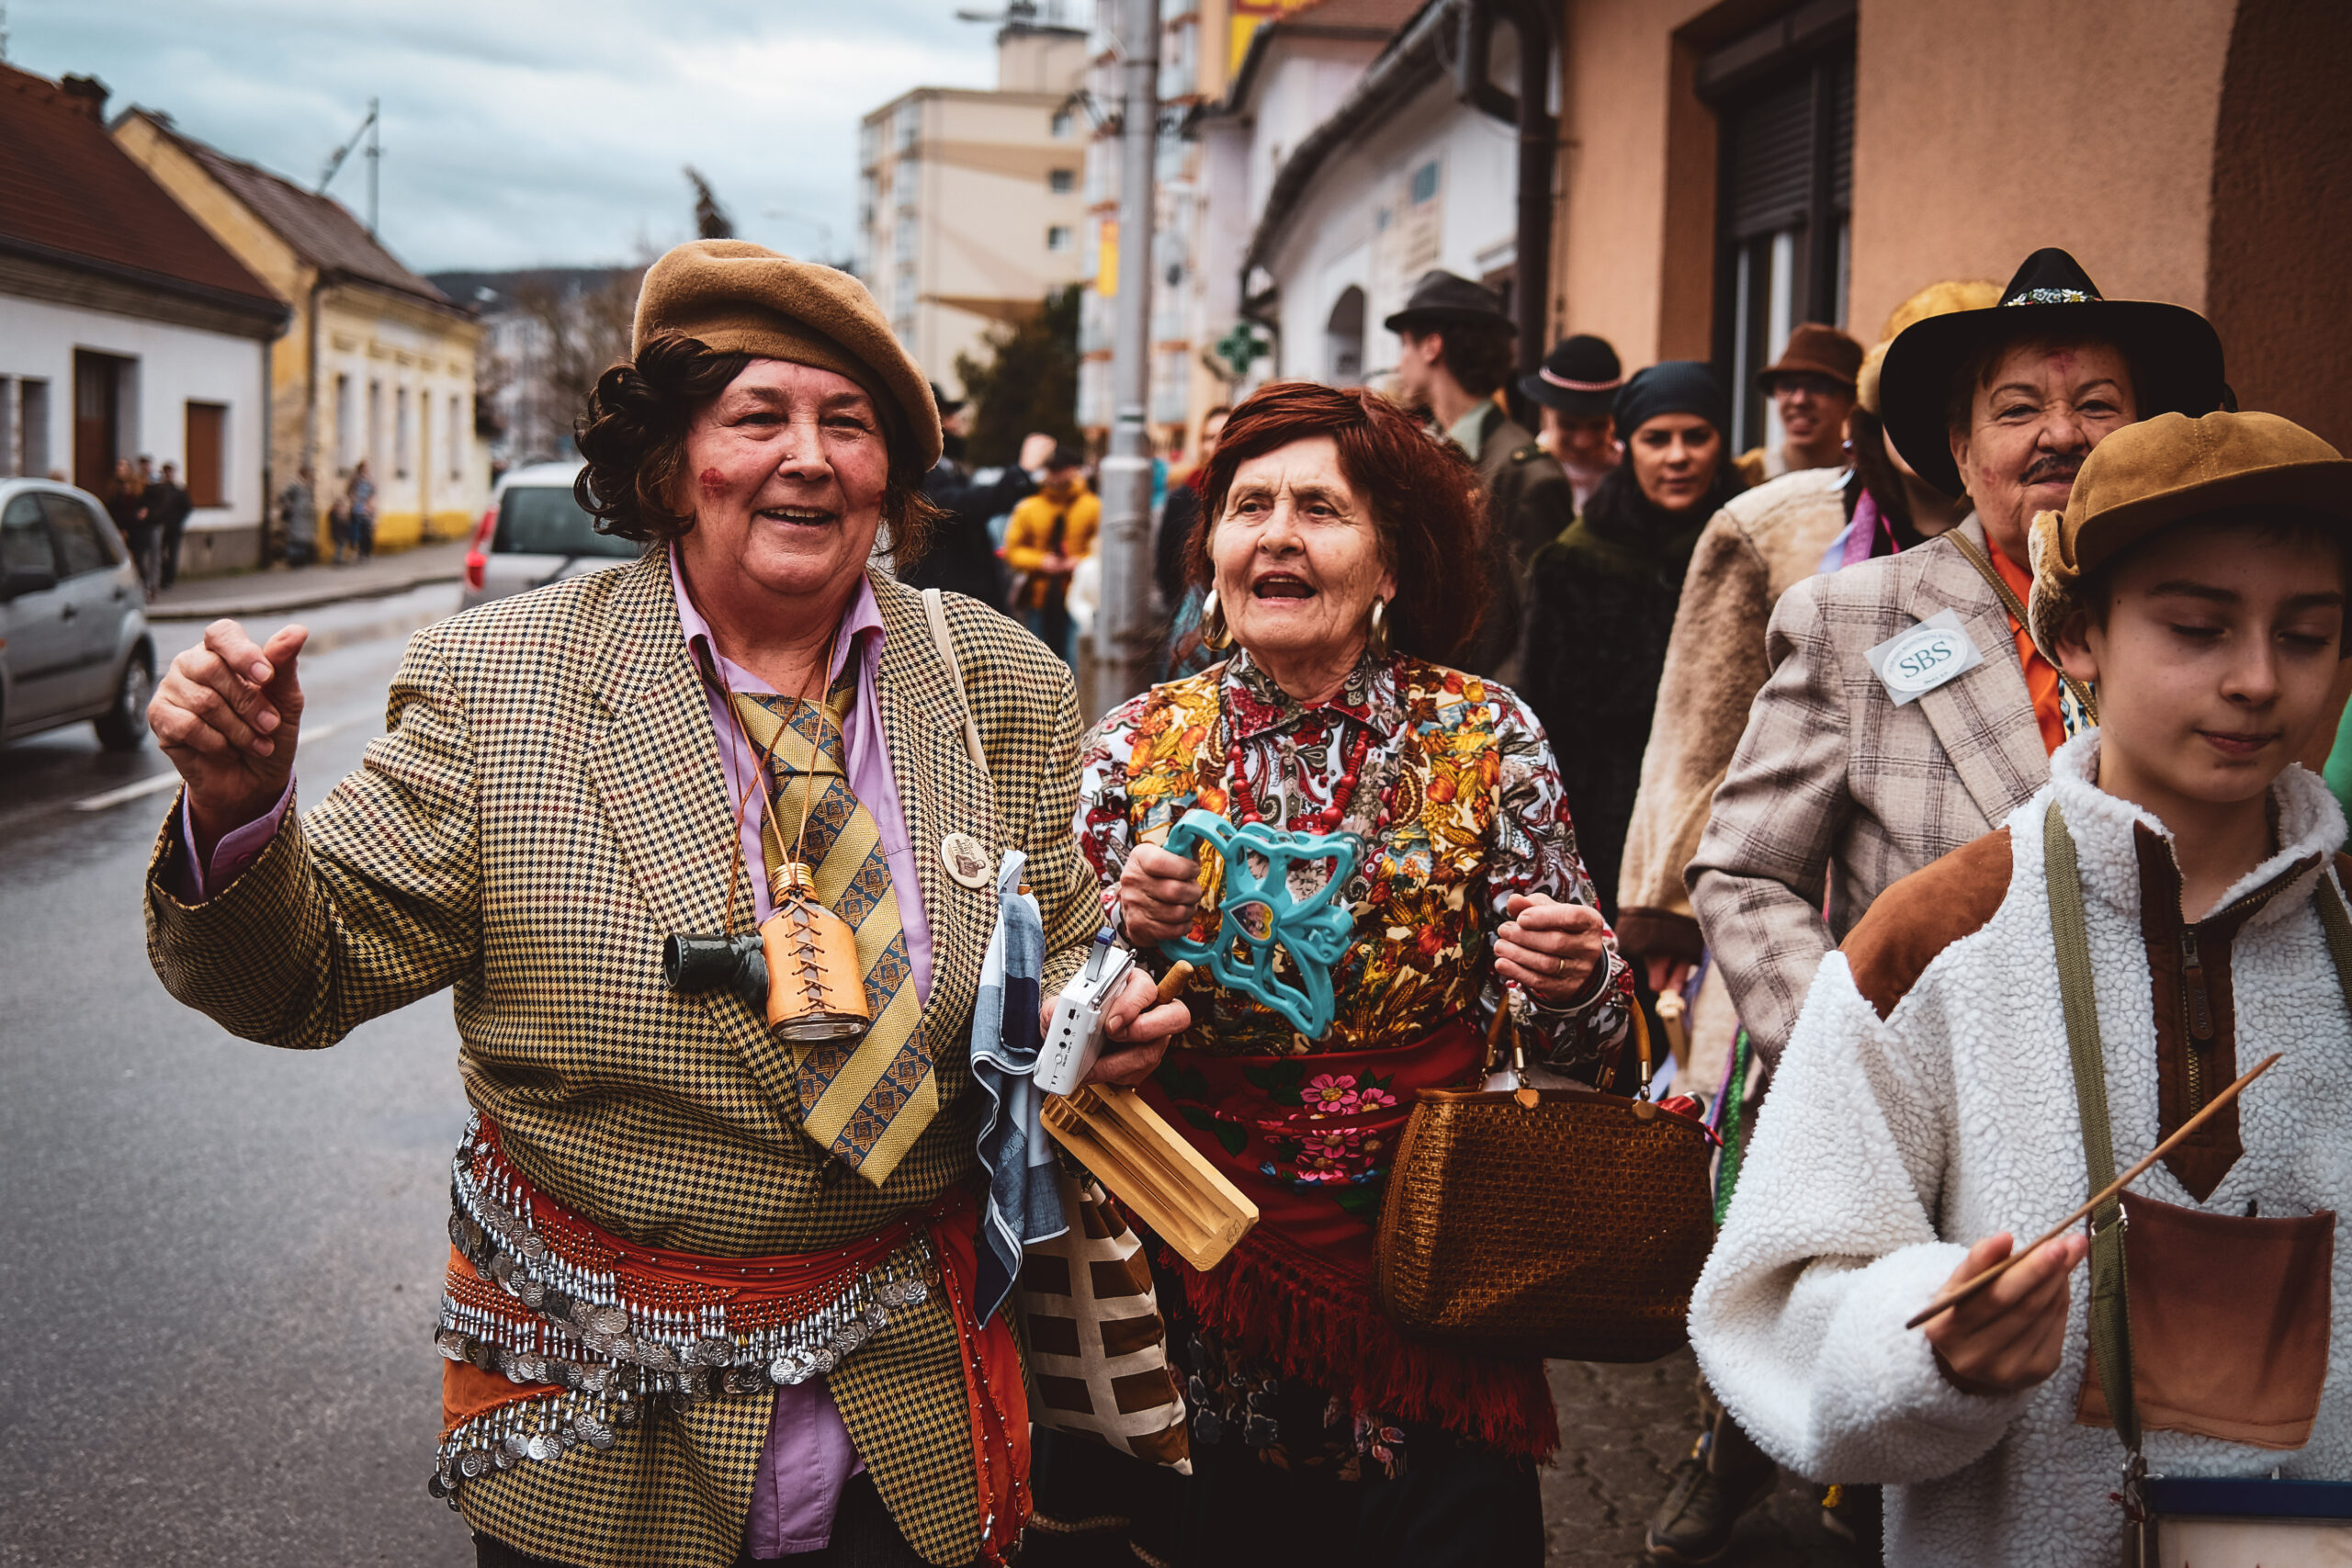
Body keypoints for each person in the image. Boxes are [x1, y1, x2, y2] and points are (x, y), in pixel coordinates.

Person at [141, 238, 1188, 1568]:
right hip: (606, 1417)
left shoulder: (998, 679)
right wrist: (238, 812)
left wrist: (1115, 1016)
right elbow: (304, 974)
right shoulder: (496, 677)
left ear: (890, 472)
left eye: (847, 423)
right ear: (669, 463)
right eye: (758, 417)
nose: (807, 456)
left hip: (918, 1414)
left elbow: (1066, 953)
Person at [1691, 410, 2352, 1567]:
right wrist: (1926, 1347)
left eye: (2304, 636)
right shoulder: (1938, 937)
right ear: (2078, 637)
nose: (2256, 681)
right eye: (2196, 628)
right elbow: (1774, 1300)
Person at [1667, 250, 2226, 1562]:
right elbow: (1742, 871)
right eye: (2018, 404)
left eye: (2100, 400)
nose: (2061, 433)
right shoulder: (1861, 617)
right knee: (1957, 1463)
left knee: (2176, 1460)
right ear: (1961, 446)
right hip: (1955, 1149)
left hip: (2177, 1134)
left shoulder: (2209, 620)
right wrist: (1847, 1064)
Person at [1070, 379, 1634, 1567]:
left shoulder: (1487, 736)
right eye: (1248, 505)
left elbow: (1595, 1059)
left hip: (1438, 1265)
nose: (1275, 532)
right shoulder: (1133, 746)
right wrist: (1124, 939)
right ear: (1214, 550)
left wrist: (1575, 980)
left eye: (1318, 507)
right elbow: (1048, 1043)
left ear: (1390, 561)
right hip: (1201, 1265)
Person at [1615, 280, 1993, 1560]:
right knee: (1776, 1209)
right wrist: (1659, 900)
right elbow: (1703, 722)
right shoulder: (1781, 529)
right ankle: (1726, 1443)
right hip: (1820, 941)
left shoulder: (2097, 575)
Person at [1519, 363, 1742, 921]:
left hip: (1734, 810)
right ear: (1627, 444)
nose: (1677, 457)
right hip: (1611, 821)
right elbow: (1549, 724)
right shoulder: (1576, 560)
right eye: (1656, 438)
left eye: (1696, 436)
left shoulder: (1755, 540)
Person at [1385, 270, 1572, 679]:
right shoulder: (1434, 454)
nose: (1400, 362)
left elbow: (1540, 634)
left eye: (1405, 345)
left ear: (1432, 346)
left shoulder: (1527, 474)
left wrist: (1482, 715)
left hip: (1477, 718)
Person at [903, 381, 1053, 608]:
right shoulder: (916, 472)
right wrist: (1023, 471)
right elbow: (959, 505)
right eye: (946, 414)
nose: (955, 422)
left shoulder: (951, 467)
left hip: (961, 603)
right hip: (945, 607)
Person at [1733, 322, 1862, 489]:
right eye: (1788, 386)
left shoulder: (1868, 477)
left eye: (1819, 387)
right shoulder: (1744, 476)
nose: (1799, 400)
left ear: (1851, 400)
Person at [1002, 446, 1096, 665]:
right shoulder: (1029, 508)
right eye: (1052, 469)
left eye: (1061, 468)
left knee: (1075, 659)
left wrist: (1081, 561)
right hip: (1040, 596)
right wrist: (1040, 561)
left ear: (1074, 469)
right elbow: (1013, 549)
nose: (1057, 474)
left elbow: (1102, 548)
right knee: (1039, 660)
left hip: (1078, 596)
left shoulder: (1092, 506)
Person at [1520, 333, 1623, 513]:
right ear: (1545, 413)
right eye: (1568, 425)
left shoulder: (1628, 471)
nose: (1583, 442)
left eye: (1598, 425)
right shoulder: (1522, 475)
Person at [105, 456, 153, 595]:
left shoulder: (138, 487)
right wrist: (119, 529)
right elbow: (112, 510)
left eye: (123, 467)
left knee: (138, 559)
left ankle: (145, 587)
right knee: (124, 560)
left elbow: (146, 503)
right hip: (122, 529)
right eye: (118, 467)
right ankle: (127, 588)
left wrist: (145, 511)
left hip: (138, 529)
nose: (120, 469)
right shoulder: (113, 488)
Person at [147, 459, 194, 589]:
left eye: (170, 472)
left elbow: (188, 507)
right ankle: (163, 576)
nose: (168, 475)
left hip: (175, 527)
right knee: (160, 553)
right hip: (162, 526)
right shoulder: (160, 490)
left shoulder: (179, 490)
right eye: (166, 472)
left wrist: (179, 520)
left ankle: (169, 580)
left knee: (173, 554)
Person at [278, 465, 318, 568]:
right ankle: (293, 561)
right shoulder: (294, 485)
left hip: (305, 516)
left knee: (303, 539)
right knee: (294, 538)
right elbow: (283, 497)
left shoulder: (308, 487)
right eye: (307, 475)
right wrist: (289, 506)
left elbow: (310, 501)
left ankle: (301, 560)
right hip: (296, 515)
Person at [345, 459, 376, 560]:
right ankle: (356, 551)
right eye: (365, 467)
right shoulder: (355, 479)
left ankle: (365, 552)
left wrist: (369, 504)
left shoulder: (369, 480)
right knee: (356, 531)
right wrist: (355, 501)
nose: (367, 469)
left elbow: (373, 493)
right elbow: (349, 492)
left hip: (367, 508)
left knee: (367, 531)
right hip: (357, 507)